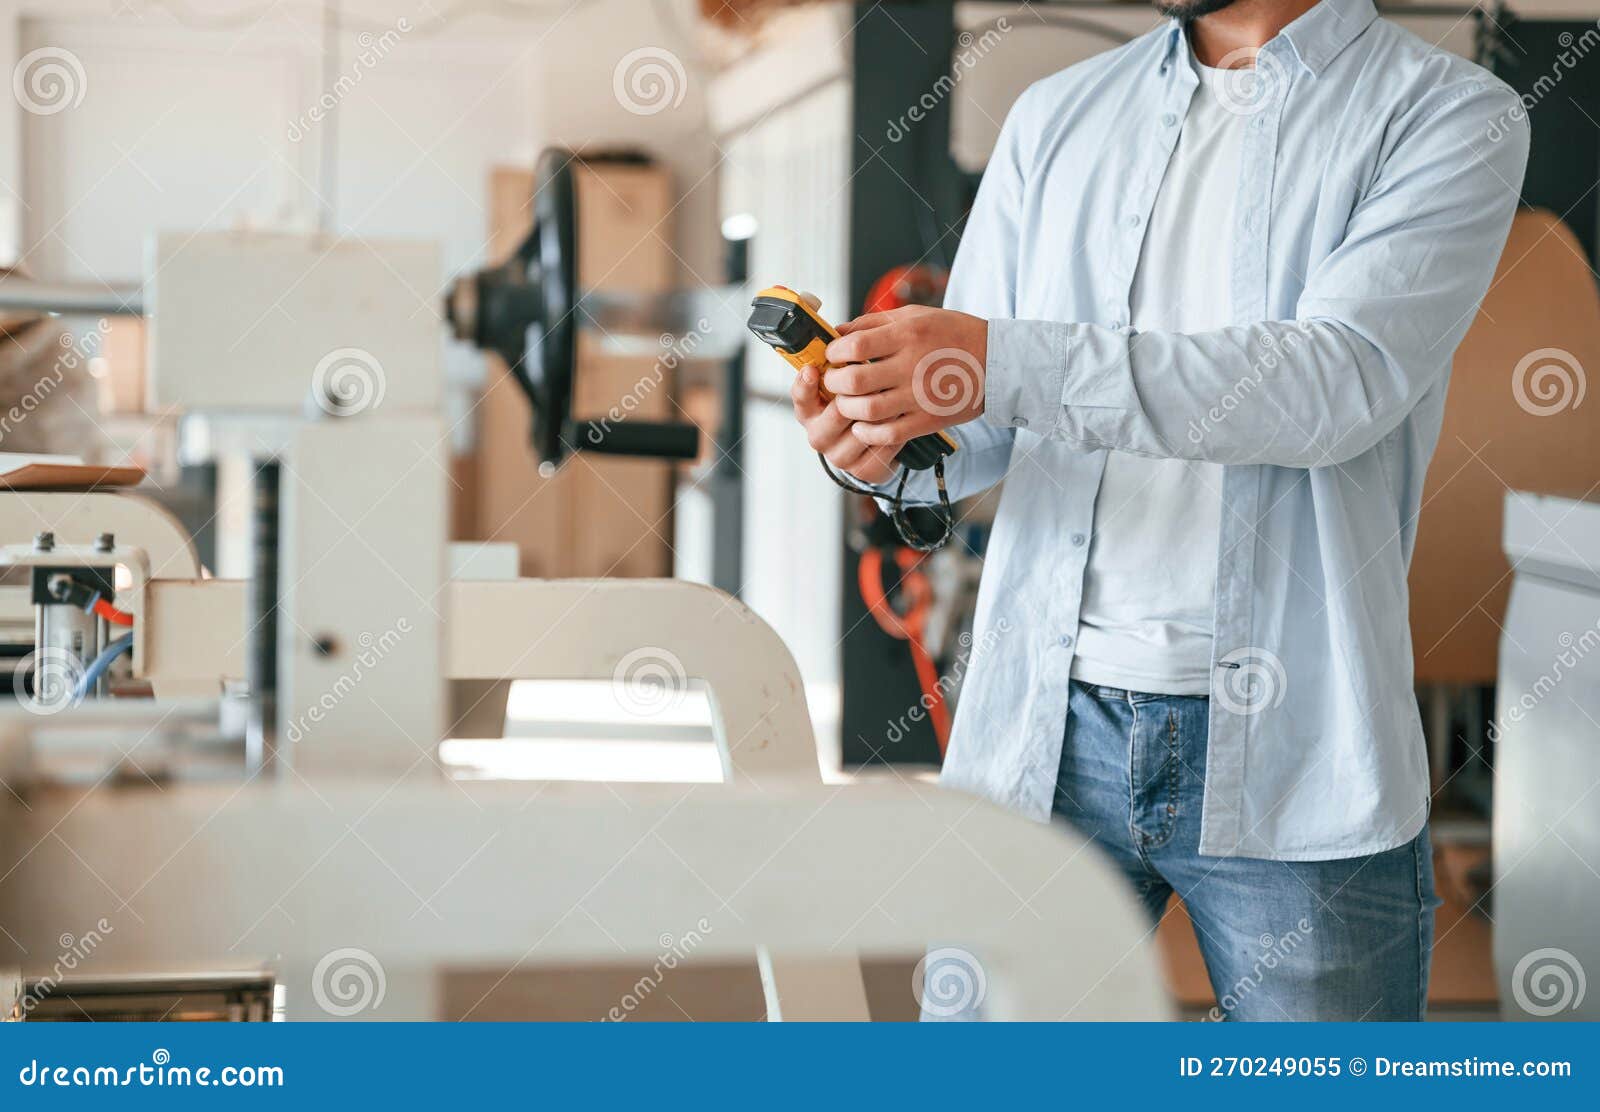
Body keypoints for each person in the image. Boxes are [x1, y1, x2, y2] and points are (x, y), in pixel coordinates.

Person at [791, 0, 1529, 1020]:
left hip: (1297, 746)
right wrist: (888, 445)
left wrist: (994, 360)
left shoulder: (1448, 113)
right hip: (1042, 731)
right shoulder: (1056, 117)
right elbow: (983, 432)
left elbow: (1331, 385)